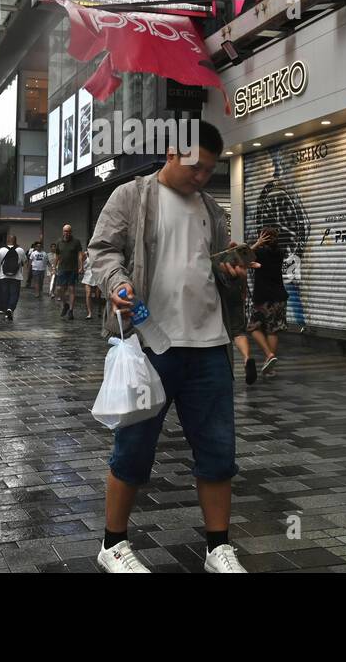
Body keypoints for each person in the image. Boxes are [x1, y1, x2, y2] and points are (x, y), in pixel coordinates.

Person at [88, 121, 252, 573]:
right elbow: (101, 252)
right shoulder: (132, 197)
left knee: (218, 452)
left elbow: (213, 271)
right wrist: (118, 283)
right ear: (171, 152)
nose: (200, 177)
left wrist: (231, 273)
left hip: (209, 346)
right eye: (195, 167)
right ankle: (113, 544)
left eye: (209, 170)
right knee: (134, 446)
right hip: (150, 347)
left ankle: (218, 547)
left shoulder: (212, 210)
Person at [248, 226, 287, 377]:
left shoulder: (259, 252)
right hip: (279, 297)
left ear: (262, 237)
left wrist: (257, 243)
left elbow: (241, 256)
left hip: (263, 298)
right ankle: (269, 366)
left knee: (253, 327)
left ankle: (269, 355)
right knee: (273, 330)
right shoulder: (280, 252)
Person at [54, 224, 84, 320]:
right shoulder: (59, 242)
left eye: (68, 231)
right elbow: (57, 255)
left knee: (71, 289)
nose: (66, 233)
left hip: (72, 269)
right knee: (59, 289)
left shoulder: (76, 242)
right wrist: (54, 267)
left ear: (71, 232)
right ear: (63, 232)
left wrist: (81, 266)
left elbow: (80, 255)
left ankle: (71, 310)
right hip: (62, 268)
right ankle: (65, 304)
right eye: (65, 231)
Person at [0, 233, 27, 321]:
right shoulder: (20, 250)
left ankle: (6, 310)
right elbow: (25, 261)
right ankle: (10, 309)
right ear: (16, 241)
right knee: (14, 294)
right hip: (16, 276)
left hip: (4, 276)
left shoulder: (2, 250)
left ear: (7, 241)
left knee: (5, 294)